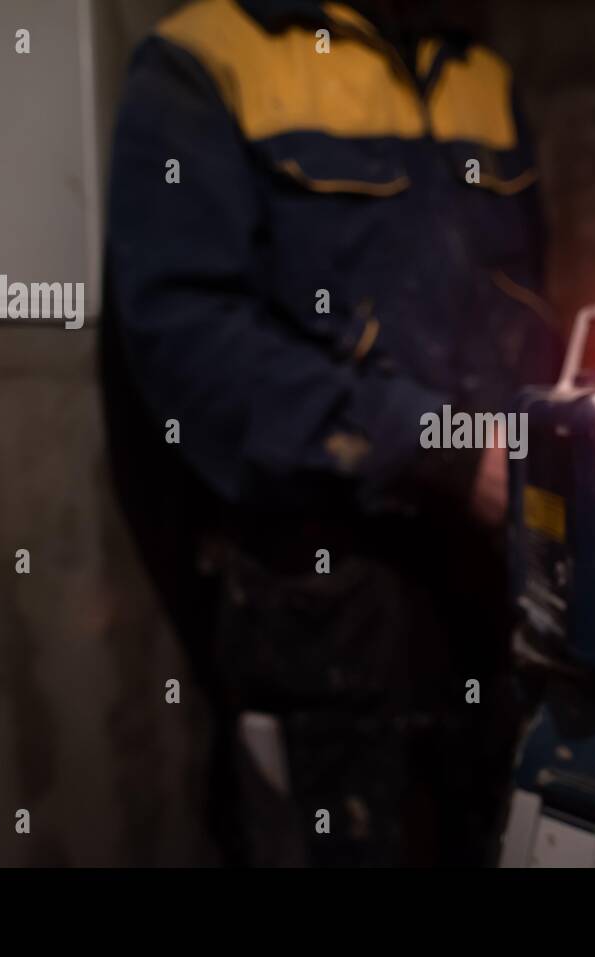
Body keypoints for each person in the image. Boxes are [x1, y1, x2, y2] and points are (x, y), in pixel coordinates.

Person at [101, 0, 560, 866]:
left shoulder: (480, 74)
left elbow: (528, 299)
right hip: (323, 589)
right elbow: (189, 342)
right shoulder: (208, 59)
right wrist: (442, 449)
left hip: (492, 578)